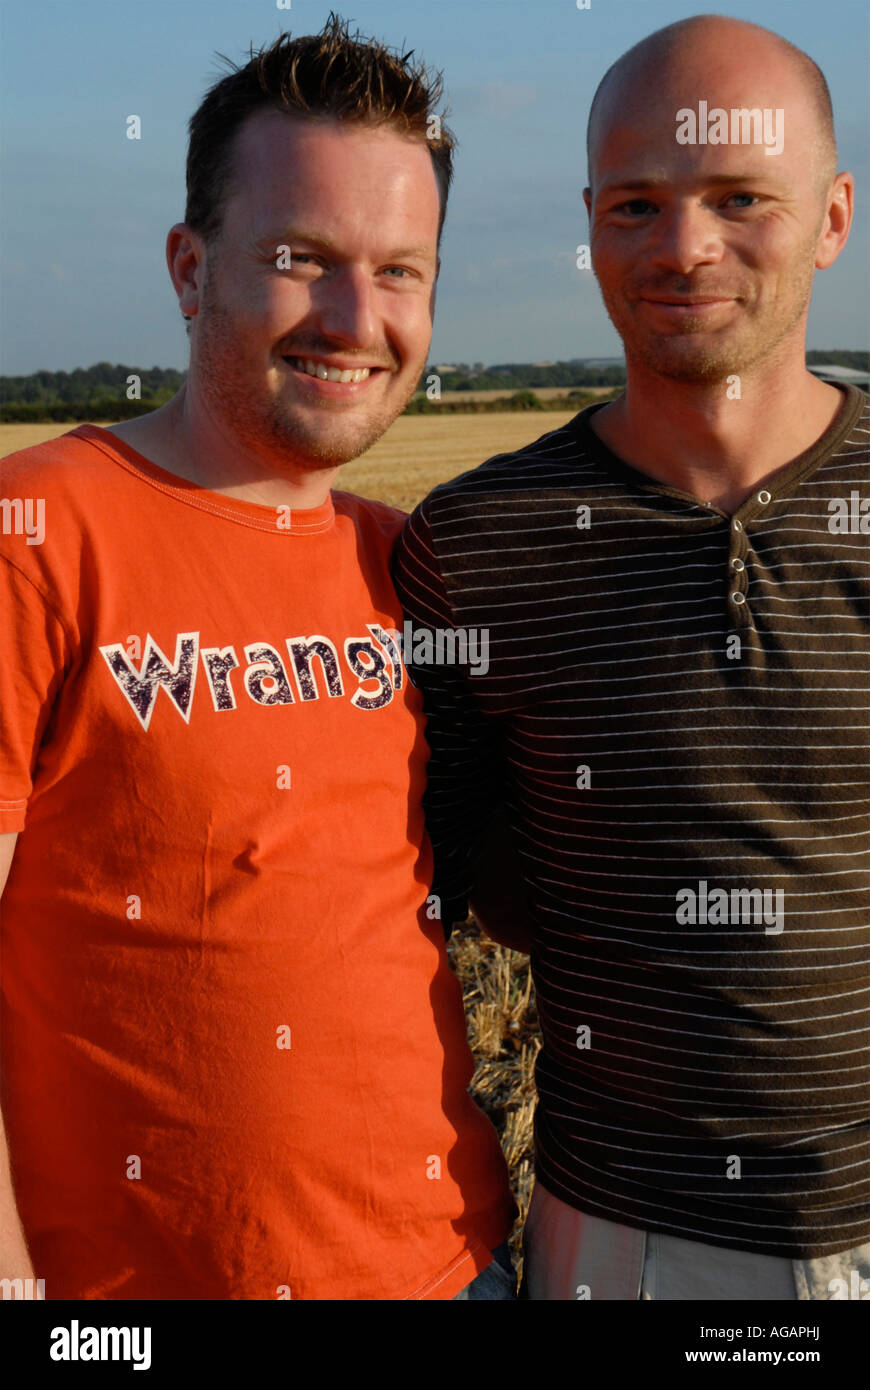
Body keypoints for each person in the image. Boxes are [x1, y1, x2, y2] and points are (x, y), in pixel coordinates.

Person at [0, 14, 517, 1301]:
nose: (356, 318)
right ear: (190, 267)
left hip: (454, 1266)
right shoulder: (45, 531)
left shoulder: (410, 564)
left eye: (402, 271)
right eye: (303, 259)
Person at [392, 14, 869, 1301]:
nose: (683, 247)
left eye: (738, 199)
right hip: (636, 1241)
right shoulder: (478, 545)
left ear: (832, 219)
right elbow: (455, 878)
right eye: (637, 204)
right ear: (589, 219)